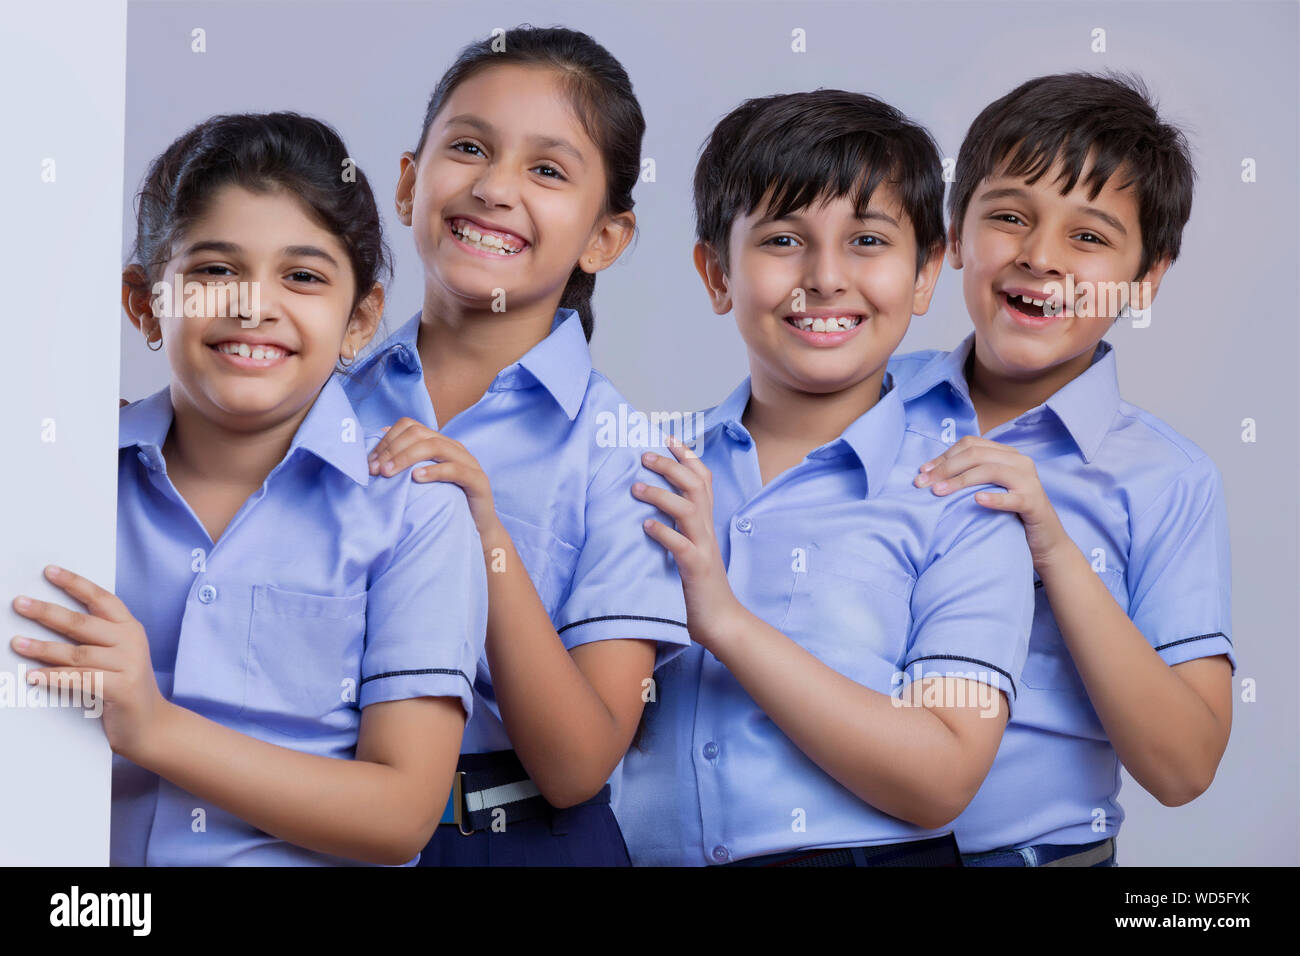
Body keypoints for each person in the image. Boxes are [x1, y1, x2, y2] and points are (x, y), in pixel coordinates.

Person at [12, 112, 487, 866]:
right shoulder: (62, 482)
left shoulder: (412, 507)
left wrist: (154, 727)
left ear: (360, 319)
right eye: (213, 270)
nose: (251, 307)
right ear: (144, 303)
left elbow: (400, 815)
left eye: (301, 276)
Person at [612, 89, 1034, 867]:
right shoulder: (644, 468)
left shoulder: (964, 496)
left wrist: (727, 623)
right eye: (782, 240)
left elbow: (942, 776)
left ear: (925, 274)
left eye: (868, 240)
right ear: (716, 274)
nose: (825, 277)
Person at [353, 26, 689, 865]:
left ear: (605, 239)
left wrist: (487, 538)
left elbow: (578, 764)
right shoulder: (313, 404)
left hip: (522, 843)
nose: (496, 187)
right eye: (469, 147)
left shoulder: (625, 458)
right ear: (407, 181)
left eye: (547, 170)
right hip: (318, 828)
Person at [889, 71, 1234, 866]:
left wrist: (1053, 548)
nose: (1039, 257)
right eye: (1008, 217)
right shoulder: (864, 405)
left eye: (1089, 236)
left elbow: (1183, 767)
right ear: (954, 236)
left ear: (1147, 278)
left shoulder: (1168, 479)